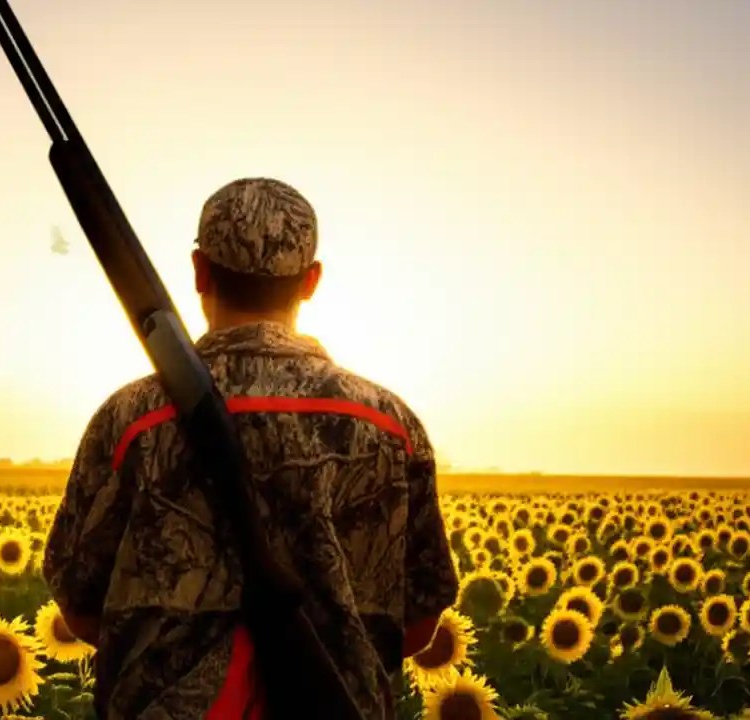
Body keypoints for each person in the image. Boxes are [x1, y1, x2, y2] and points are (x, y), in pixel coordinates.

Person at [42, 177, 458, 719]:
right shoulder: (390, 423)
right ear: (311, 281)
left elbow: (78, 609)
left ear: (198, 271)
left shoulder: (131, 418)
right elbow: (420, 623)